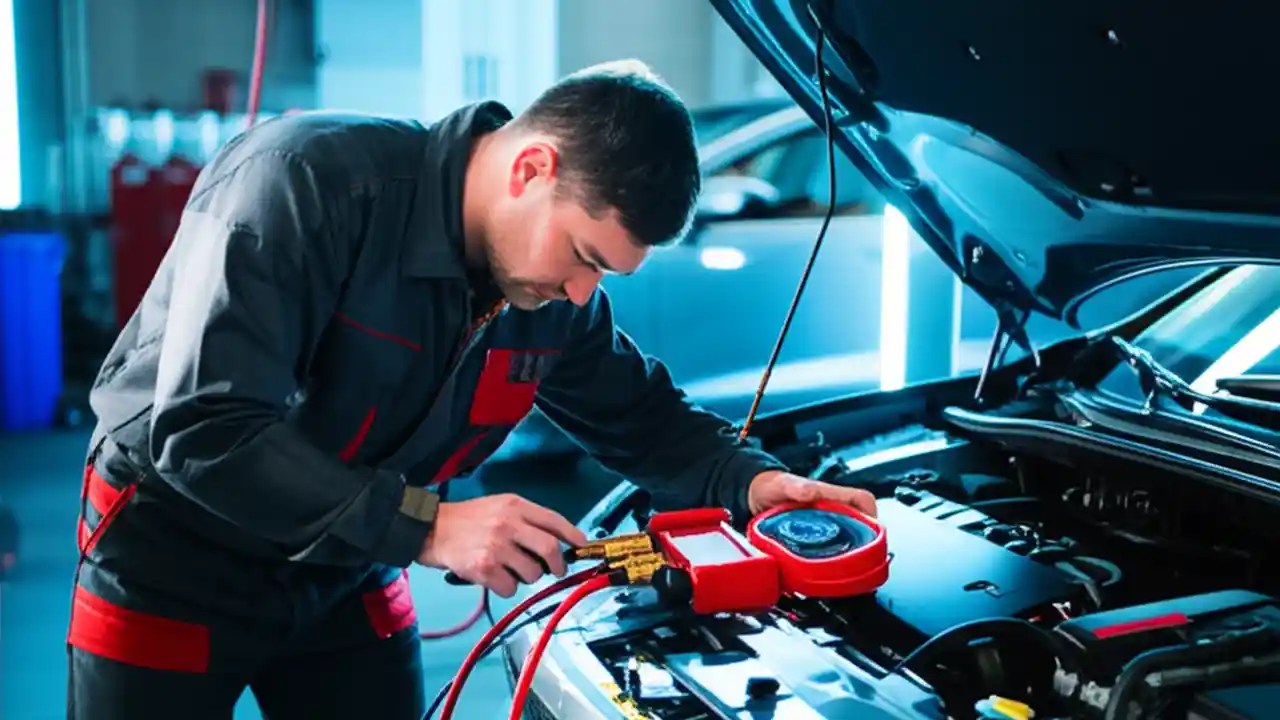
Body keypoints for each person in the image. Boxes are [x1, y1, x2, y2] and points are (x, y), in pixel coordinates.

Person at [69, 59, 877, 719]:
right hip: (176, 555)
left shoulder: (544, 290)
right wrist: (428, 528)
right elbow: (202, 427)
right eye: (585, 256)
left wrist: (755, 482)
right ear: (532, 167)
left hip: (345, 569)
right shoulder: (303, 181)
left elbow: (641, 417)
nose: (582, 294)